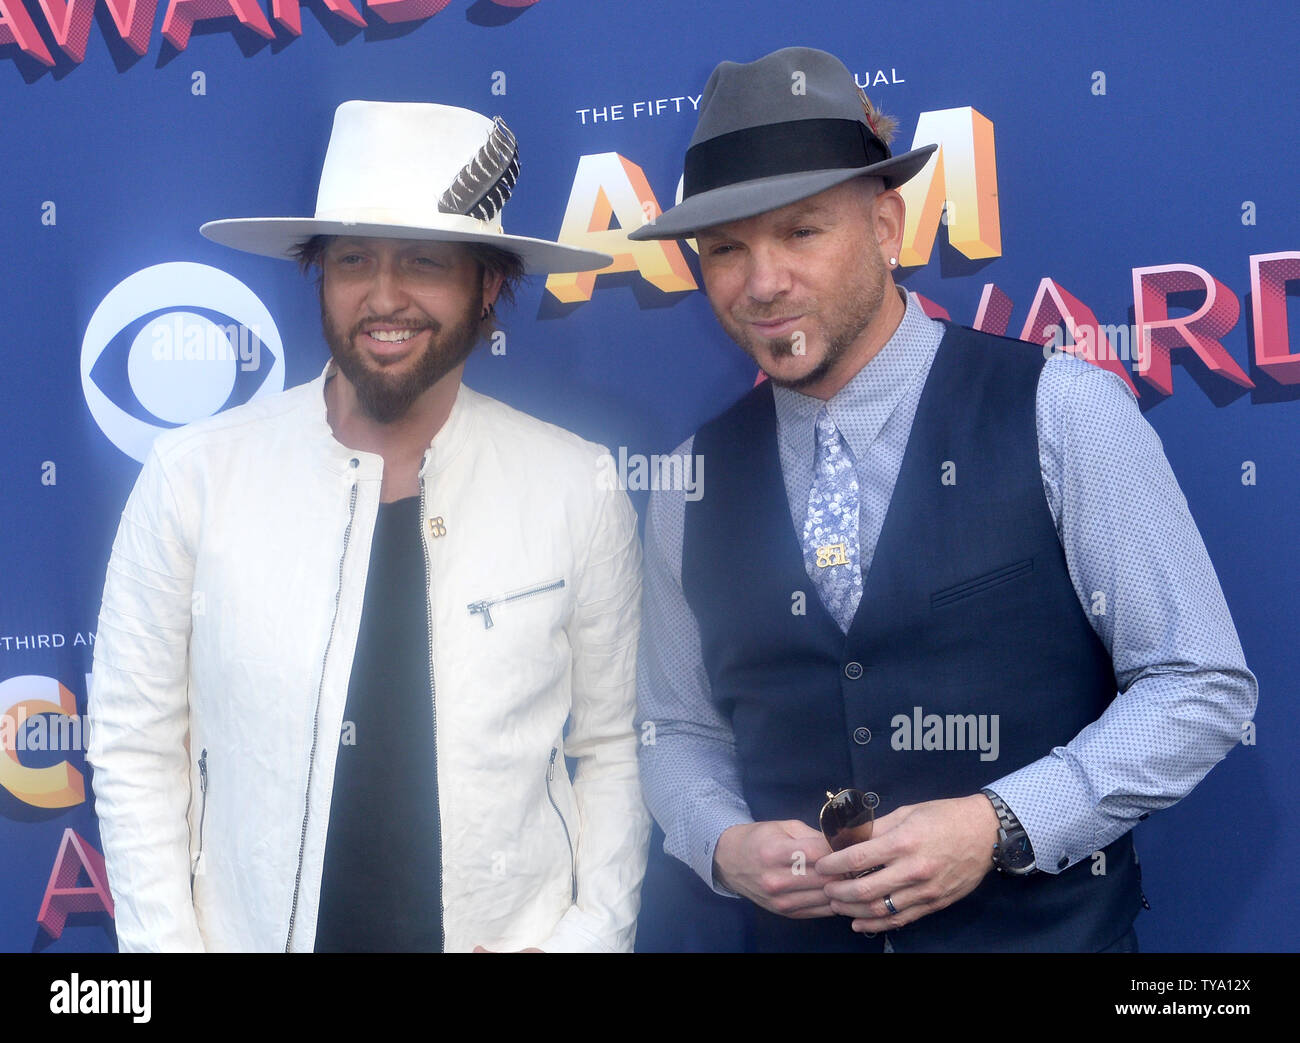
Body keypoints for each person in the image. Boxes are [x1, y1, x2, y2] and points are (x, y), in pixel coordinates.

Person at [629, 47, 1256, 952]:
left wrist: (1001, 821)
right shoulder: (687, 485)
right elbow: (675, 727)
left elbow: (1201, 685)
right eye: (726, 247)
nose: (760, 282)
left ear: (887, 226)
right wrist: (723, 843)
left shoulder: (1059, 410)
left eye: (801, 231)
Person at [87, 100, 650, 953]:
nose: (383, 298)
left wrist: (588, 939)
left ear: (488, 283)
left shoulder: (577, 486)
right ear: (321, 273)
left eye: (423, 262)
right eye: (353, 260)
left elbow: (613, 751)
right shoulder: (192, 477)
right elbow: (134, 747)